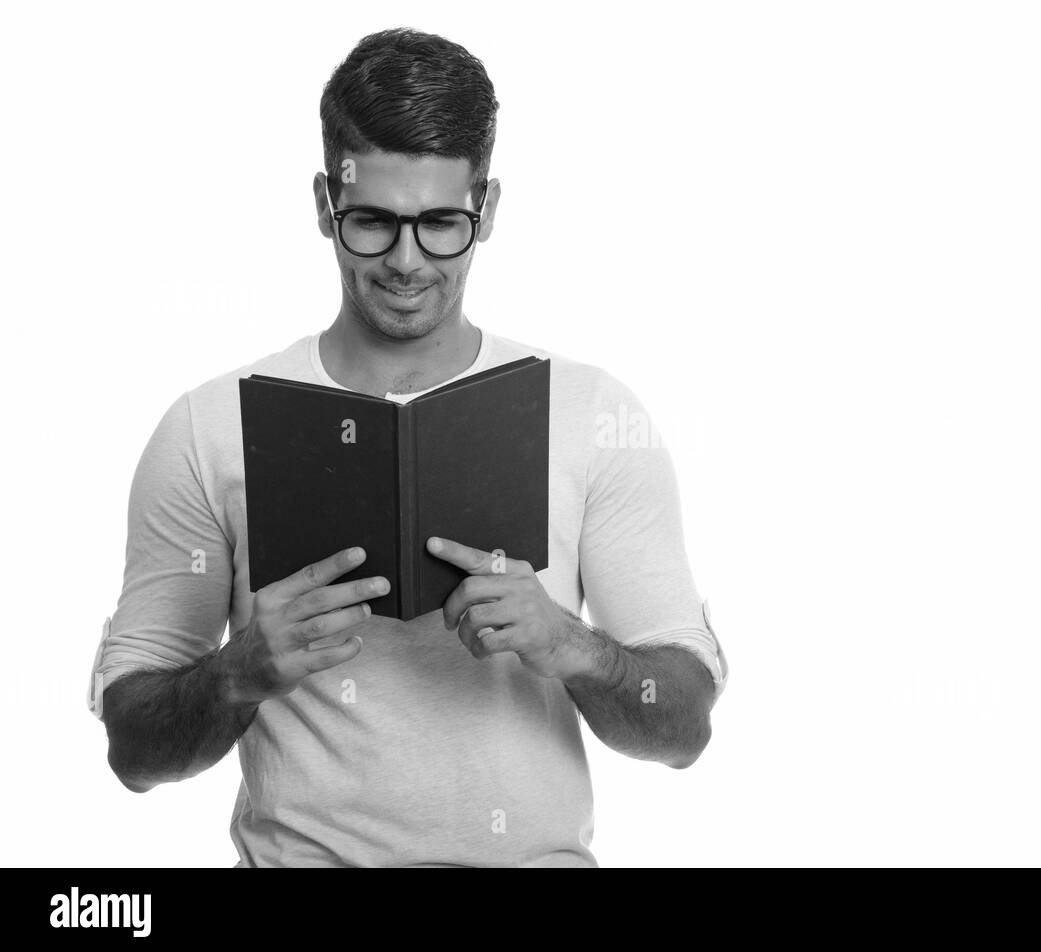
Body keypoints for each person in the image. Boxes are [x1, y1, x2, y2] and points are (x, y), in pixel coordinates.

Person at [89, 28, 727, 867]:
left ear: (487, 209)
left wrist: (571, 645)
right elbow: (135, 750)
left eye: (439, 224)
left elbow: (683, 728)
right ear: (325, 203)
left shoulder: (592, 413)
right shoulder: (209, 427)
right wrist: (236, 671)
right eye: (371, 222)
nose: (404, 260)